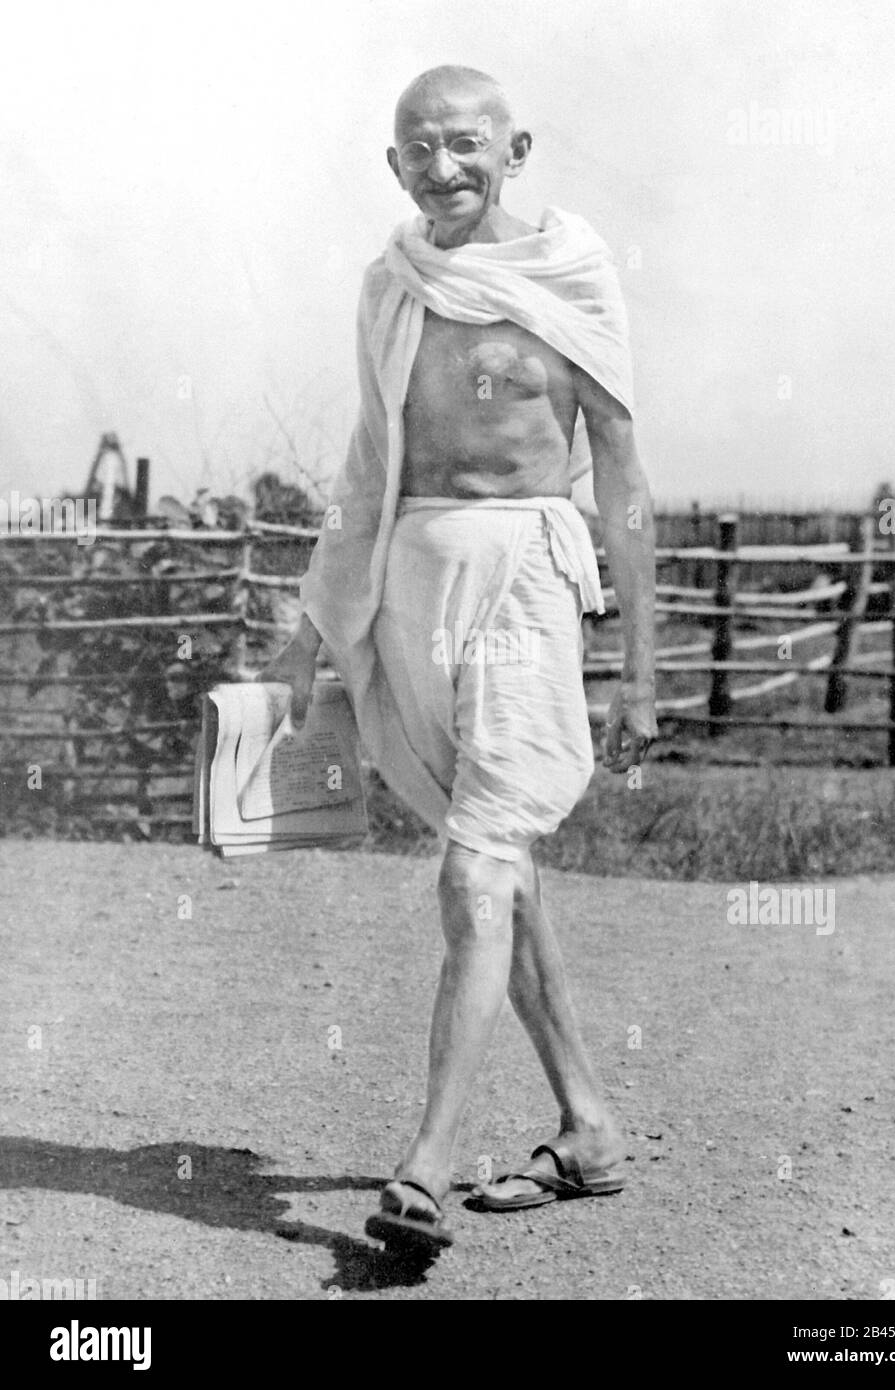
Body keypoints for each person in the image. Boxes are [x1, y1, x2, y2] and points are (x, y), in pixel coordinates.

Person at [262, 65, 657, 1253]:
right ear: (394, 166)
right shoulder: (394, 286)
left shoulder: (573, 279)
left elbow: (627, 486)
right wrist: (306, 640)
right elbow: (360, 474)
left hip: (528, 589)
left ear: (514, 148)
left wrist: (643, 666)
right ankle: (587, 1125)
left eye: (465, 145)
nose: (443, 168)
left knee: (476, 872)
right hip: (411, 600)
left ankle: (426, 1166)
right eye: (418, 149)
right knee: (502, 867)